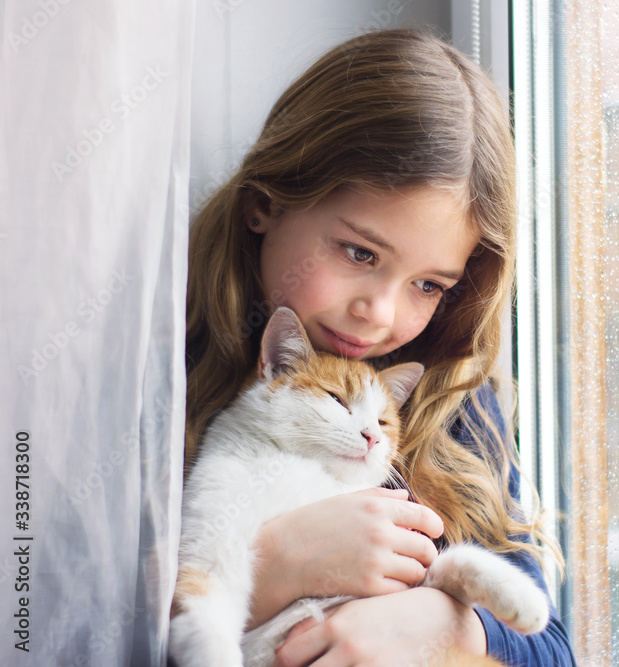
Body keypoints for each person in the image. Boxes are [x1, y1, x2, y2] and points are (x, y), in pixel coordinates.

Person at [183, 29, 576, 666]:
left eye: (428, 284)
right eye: (359, 252)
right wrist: (278, 564)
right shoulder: (156, 368)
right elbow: (47, 617)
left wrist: (443, 623)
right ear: (267, 202)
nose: (380, 314)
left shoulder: (446, 399)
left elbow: (553, 650)